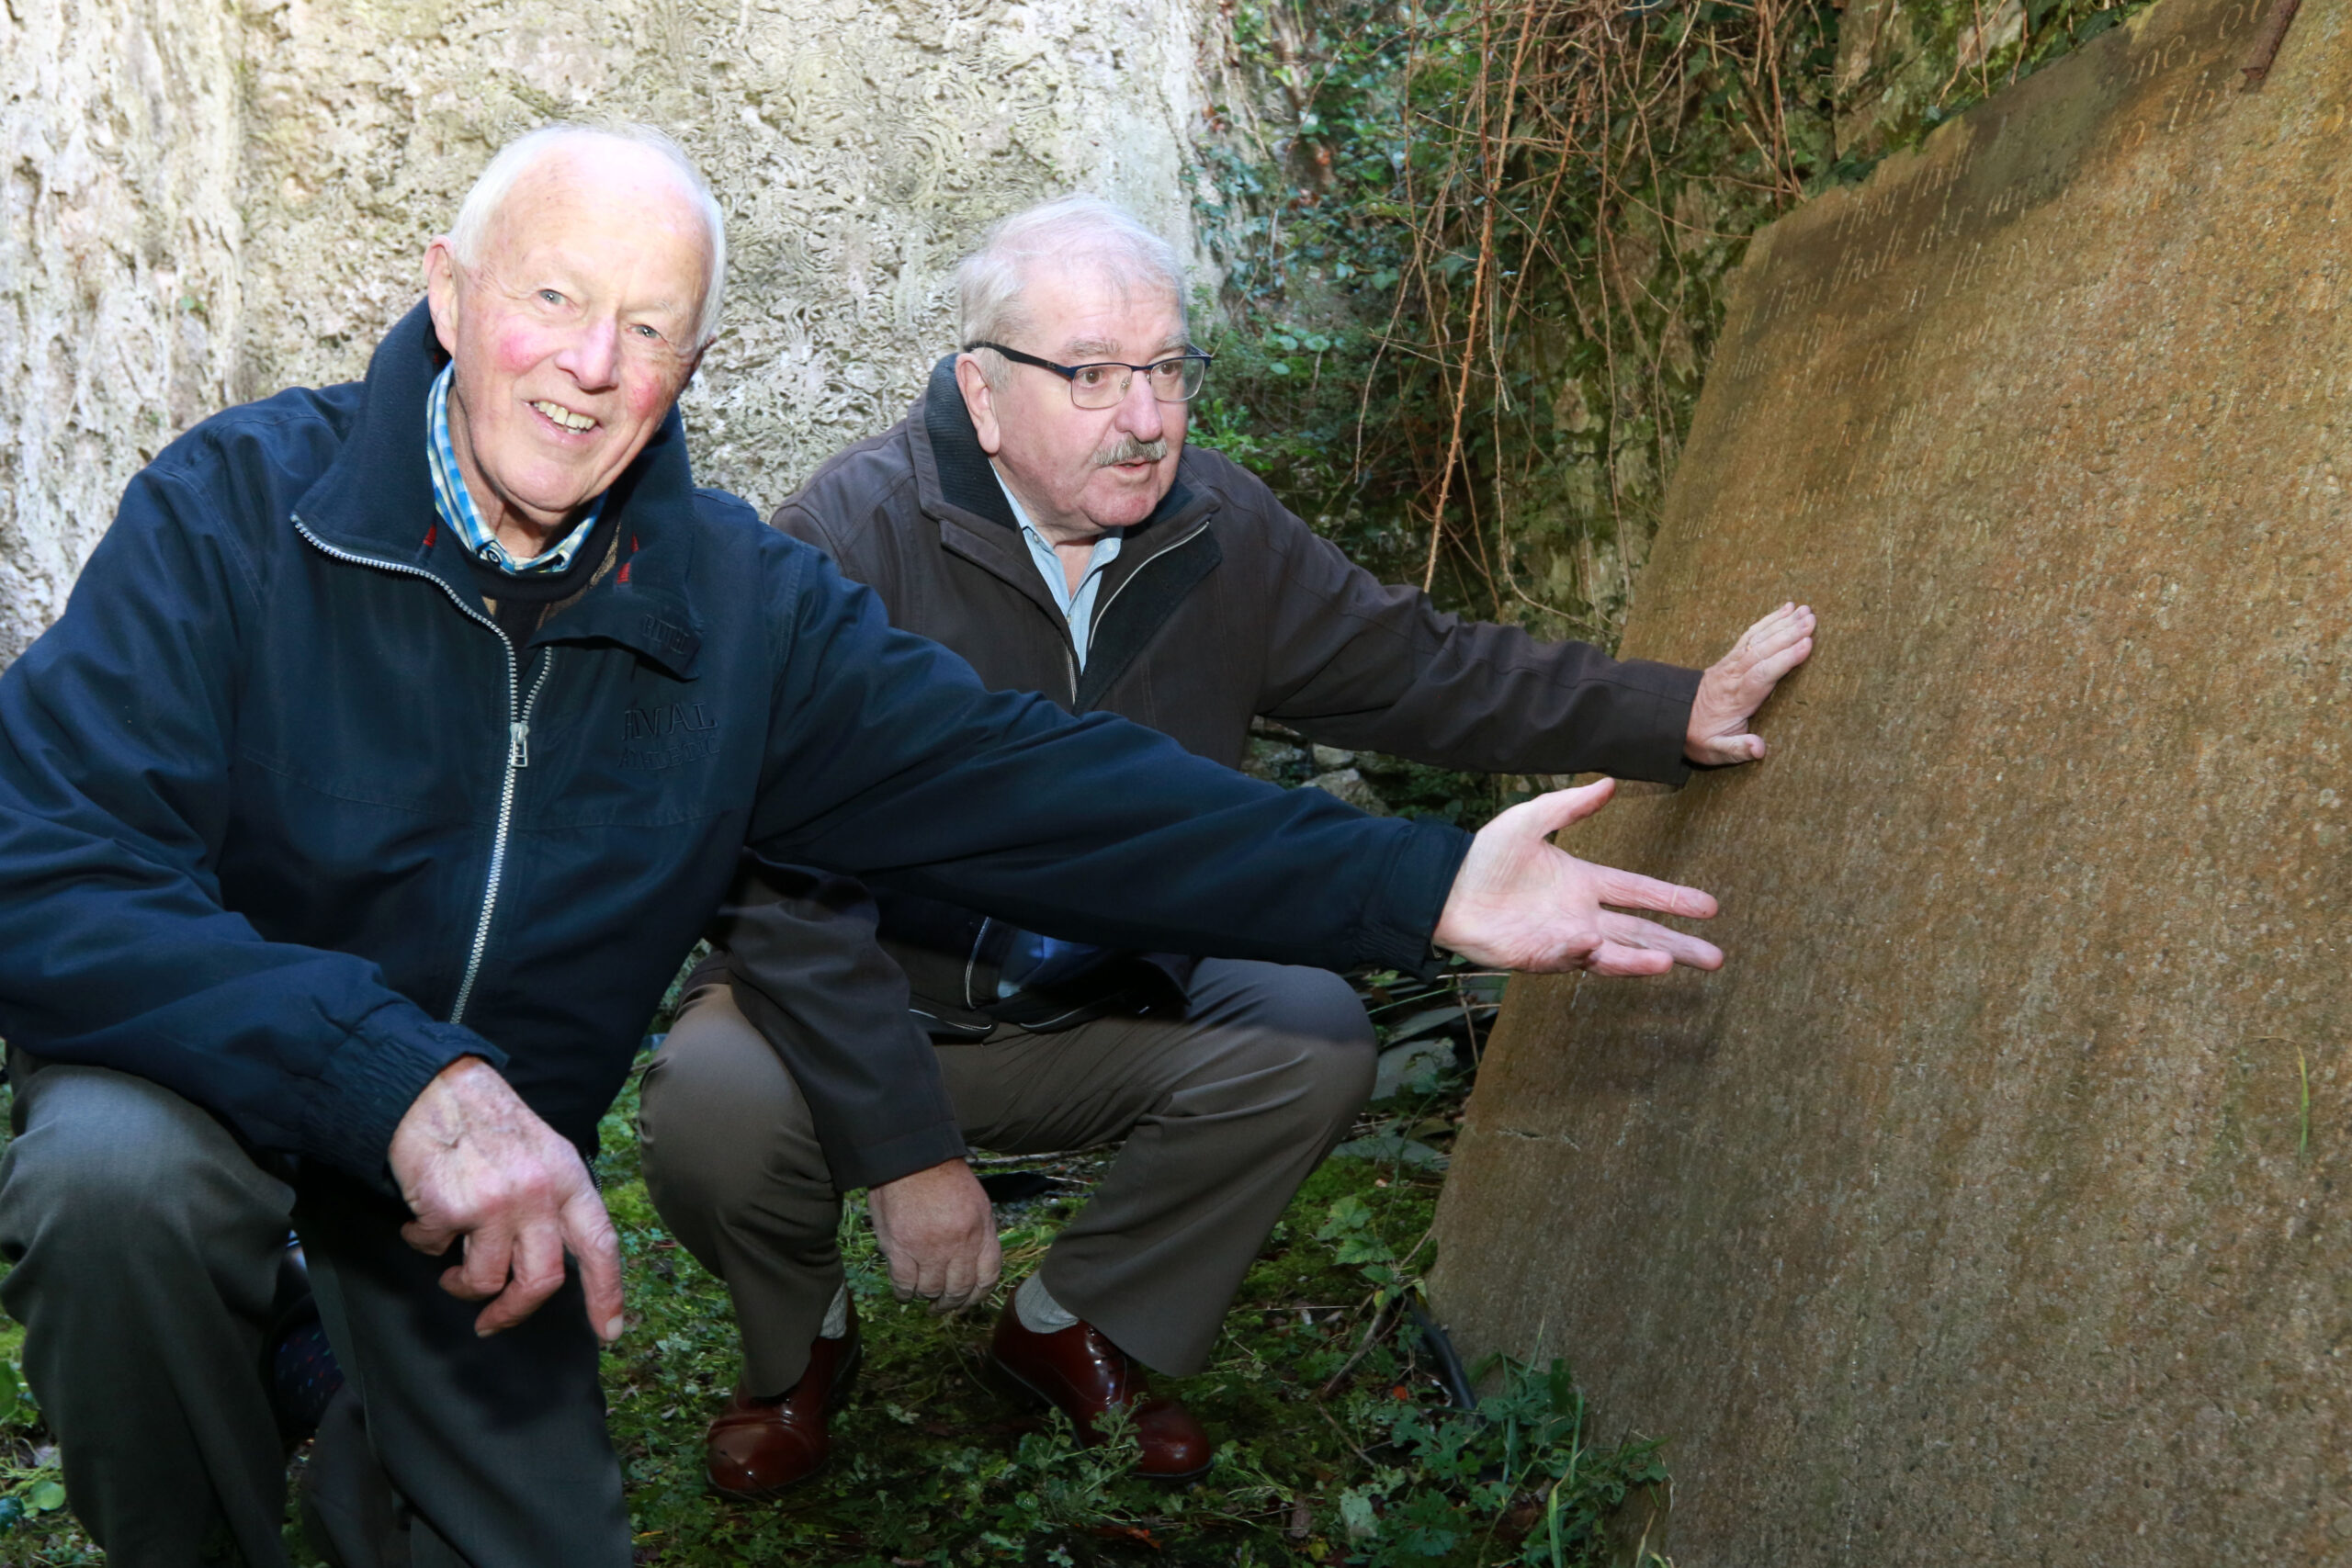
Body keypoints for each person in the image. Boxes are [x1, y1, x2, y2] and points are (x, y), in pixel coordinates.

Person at [0, 136, 1731, 1567]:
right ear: (450, 297)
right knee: (115, 1182)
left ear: (693, 362)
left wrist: (1418, 883)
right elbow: (43, 864)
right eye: (552, 301)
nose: (595, 366)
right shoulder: (236, 508)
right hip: (227, 1089)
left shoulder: (739, 612)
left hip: (494, 1190)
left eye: (652, 329)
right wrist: (391, 1079)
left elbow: (1038, 788)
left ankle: (336, 1382)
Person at [638, 196, 1815, 1495]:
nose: (1145, 418)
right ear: (981, 395)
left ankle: (1073, 1327)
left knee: (1313, 1035)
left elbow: (1420, 669)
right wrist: (911, 1151)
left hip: (1109, 992)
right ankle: (797, 1344)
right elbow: (779, 893)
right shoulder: (847, 542)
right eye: (1090, 376)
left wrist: (1663, 710)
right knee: (712, 1097)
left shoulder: (1214, 527)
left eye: (1165, 369)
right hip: (878, 1004)